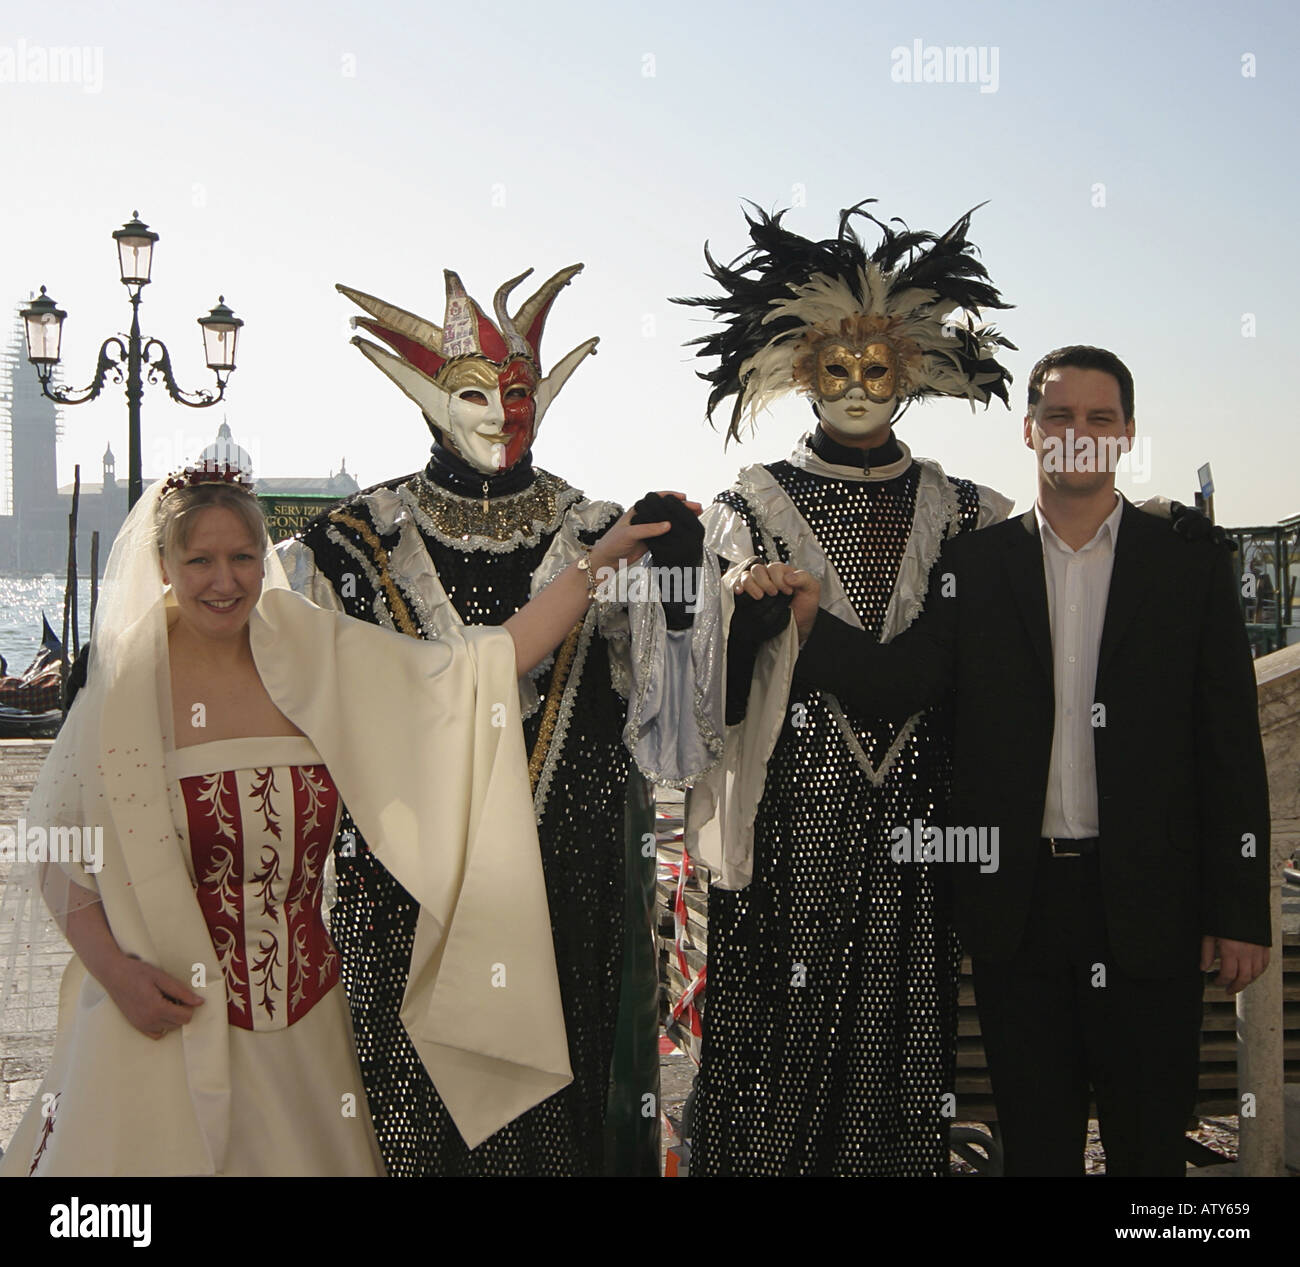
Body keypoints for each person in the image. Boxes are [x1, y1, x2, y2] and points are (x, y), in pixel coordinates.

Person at [0, 459, 670, 1176]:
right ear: (164, 564)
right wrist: (115, 974)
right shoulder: (124, 688)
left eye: (242, 558)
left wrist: (597, 564)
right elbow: (54, 849)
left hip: (303, 1041)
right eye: (199, 560)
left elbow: (468, 676)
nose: (223, 581)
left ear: (266, 562)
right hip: (156, 1030)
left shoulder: (308, 652)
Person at [768, 344, 1272, 1176]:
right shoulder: (975, 565)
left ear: (1127, 435)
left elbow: (1229, 746)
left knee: (1151, 1152)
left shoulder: (1188, 564)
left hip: (1153, 910)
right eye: (1061, 416)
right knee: (1038, 1150)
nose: (1079, 432)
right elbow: (904, 682)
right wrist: (809, 623)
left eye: (1100, 418)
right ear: (1030, 432)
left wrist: (1241, 910)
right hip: (1020, 917)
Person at [278, 264, 715, 1176]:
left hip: (569, 889)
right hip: (406, 893)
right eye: (475, 391)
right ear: (428, 398)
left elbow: (673, 729)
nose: (503, 412)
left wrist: (686, 599)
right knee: (411, 1118)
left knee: (557, 1123)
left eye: (517, 391)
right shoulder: (348, 547)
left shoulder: (605, 530)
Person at [660, 199, 1018, 1175]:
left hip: (917, 832)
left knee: (897, 1064)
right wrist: (750, 618)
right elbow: (707, 703)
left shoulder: (969, 515)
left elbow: (939, 680)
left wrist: (809, 628)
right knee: (771, 1067)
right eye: (836, 364)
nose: (857, 383)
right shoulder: (747, 510)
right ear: (797, 369)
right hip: (781, 834)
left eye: (876, 366)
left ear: (910, 373)